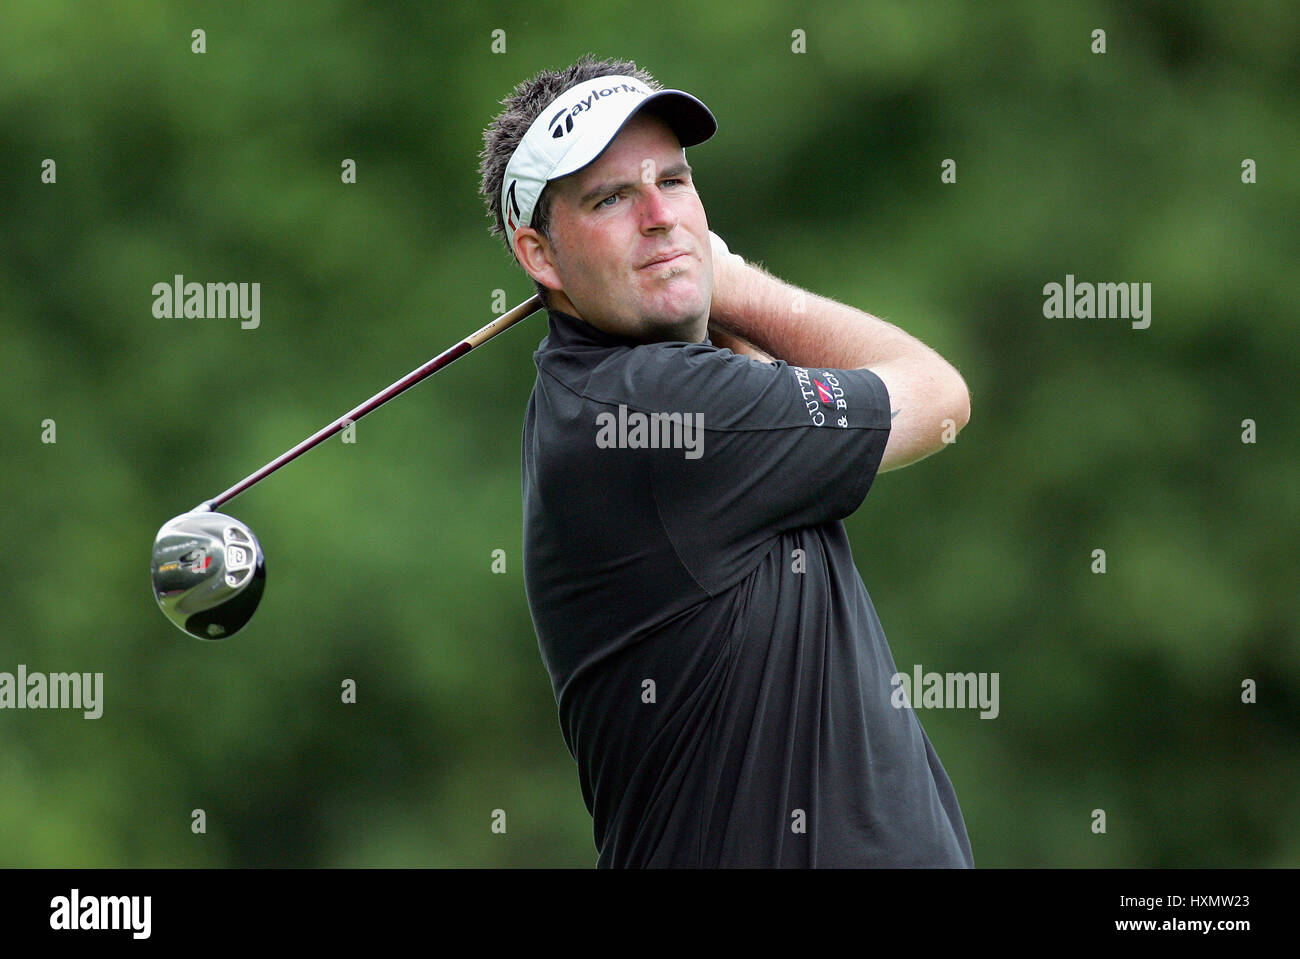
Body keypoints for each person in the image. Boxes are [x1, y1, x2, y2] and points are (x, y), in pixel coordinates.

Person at [478, 55, 974, 867]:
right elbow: (937, 394)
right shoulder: (650, 408)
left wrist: (709, 301)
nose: (660, 217)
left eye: (672, 182)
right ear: (539, 255)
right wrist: (737, 282)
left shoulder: (610, 396)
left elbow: (753, 376)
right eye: (611, 199)